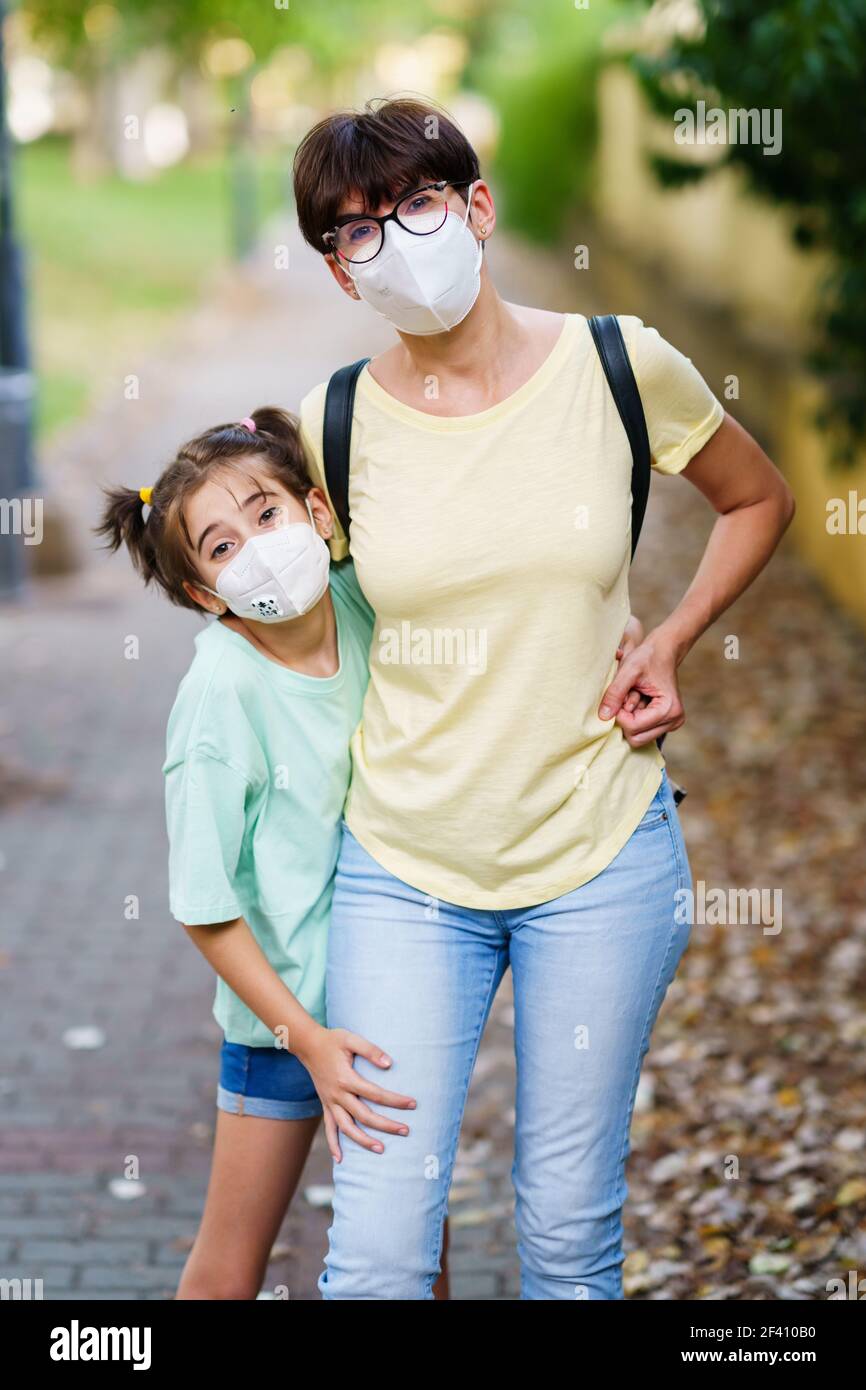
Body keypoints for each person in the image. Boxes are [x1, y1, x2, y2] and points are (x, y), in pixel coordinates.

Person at [292, 97, 796, 1299]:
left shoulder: (620, 362)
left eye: (415, 205)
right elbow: (317, 622)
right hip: (404, 864)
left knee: (568, 1236)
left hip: (598, 852)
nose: (394, 244)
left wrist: (670, 639)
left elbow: (757, 498)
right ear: (335, 270)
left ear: (477, 206)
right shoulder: (332, 421)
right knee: (374, 1253)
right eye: (355, 232)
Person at [95, 408, 440, 1298]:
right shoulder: (220, 694)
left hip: (394, 1005)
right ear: (207, 595)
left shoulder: (363, 603)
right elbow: (204, 907)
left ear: (317, 513)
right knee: (228, 1270)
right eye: (219, 547)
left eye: (267, 514)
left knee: (415, 1251)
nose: (255, 546)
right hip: (283, 1028)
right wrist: (306, 1039)